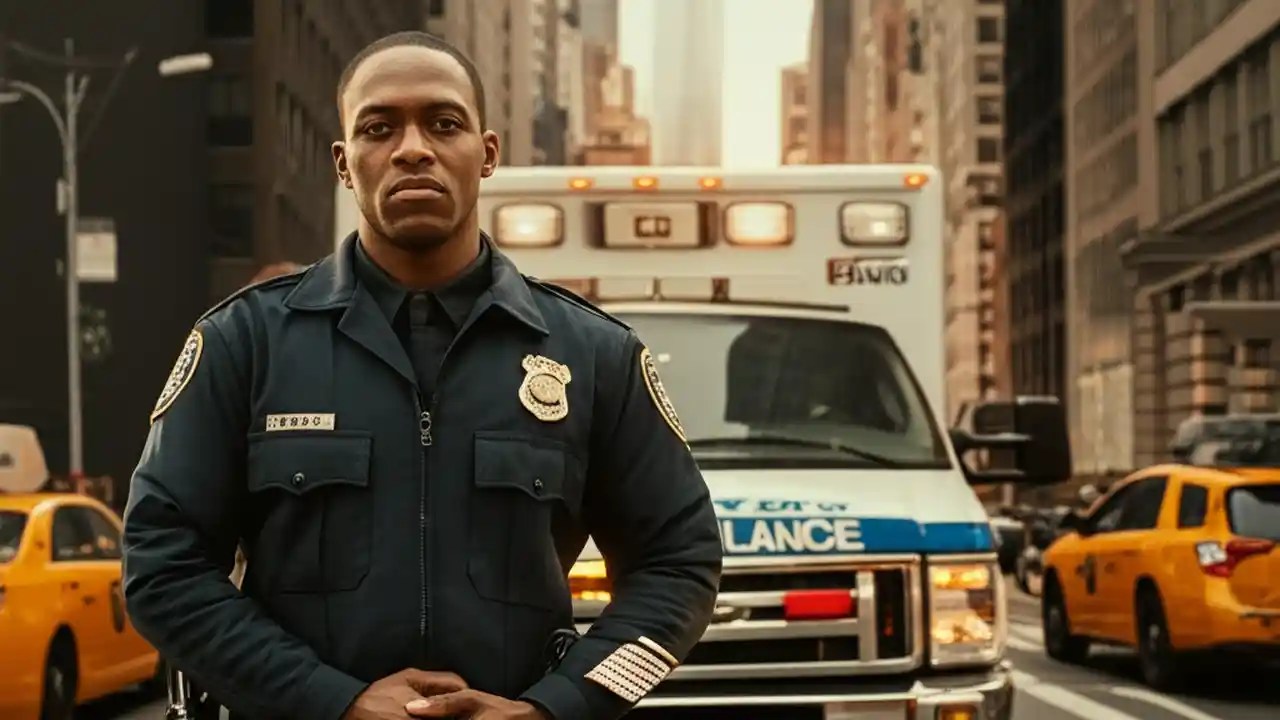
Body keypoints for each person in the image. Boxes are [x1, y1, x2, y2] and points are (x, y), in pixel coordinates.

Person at [121, 30, 723, 720]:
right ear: (345, 164)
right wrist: (332, 702)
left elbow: (681, 565)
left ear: (487, 153)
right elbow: (160, 568)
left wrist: (558, 707)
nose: (412, 149)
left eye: (443, 123)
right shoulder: (244, 342)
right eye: (379, 128)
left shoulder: (593, 354)